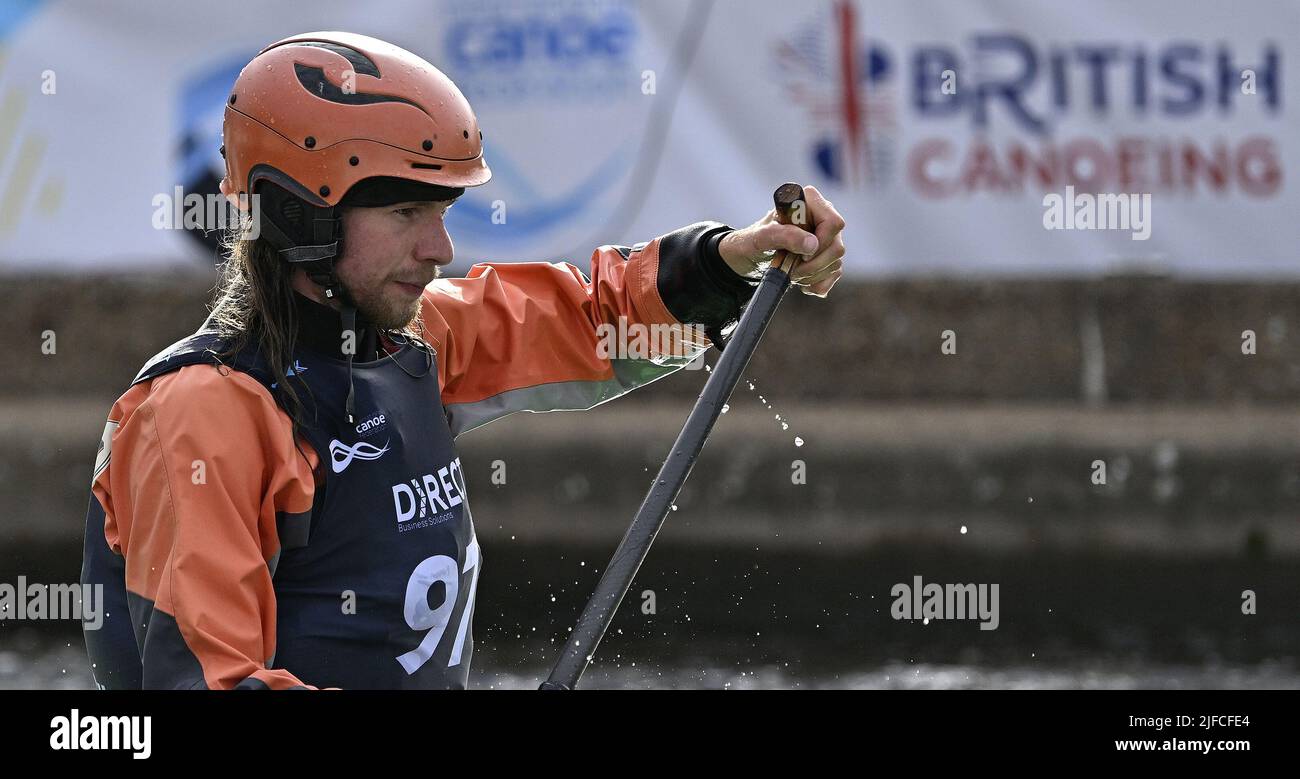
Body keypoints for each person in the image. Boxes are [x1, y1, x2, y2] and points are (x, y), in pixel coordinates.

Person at [80, 31, 845, 689]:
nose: (439, 249)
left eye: (442, 213)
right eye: (406, 213)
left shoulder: (415, 339)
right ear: (297, 214)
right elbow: (212, 679)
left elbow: (596, 321)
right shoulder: (201, 417)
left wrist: (732, 261)